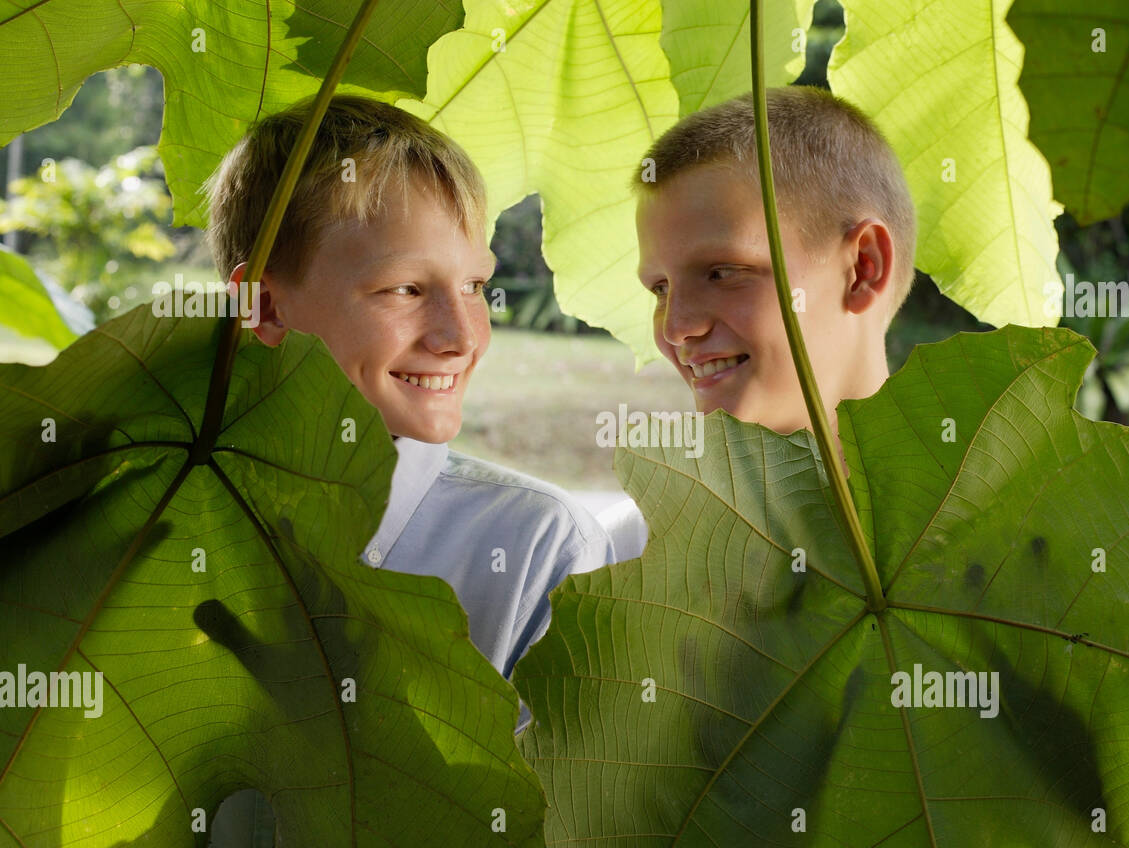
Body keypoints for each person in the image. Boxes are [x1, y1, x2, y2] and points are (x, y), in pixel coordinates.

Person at [204, 95, 615, 700]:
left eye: (474, 286)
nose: (462, 338)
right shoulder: (155, 523)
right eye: (405, 289)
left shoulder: (541, 549)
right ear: (262, 308)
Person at [601, 85, 917, 560]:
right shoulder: (630, 554)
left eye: (722, 272)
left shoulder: (1011, 541)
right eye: (660, 289)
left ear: (862, 269)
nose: (675, 329)